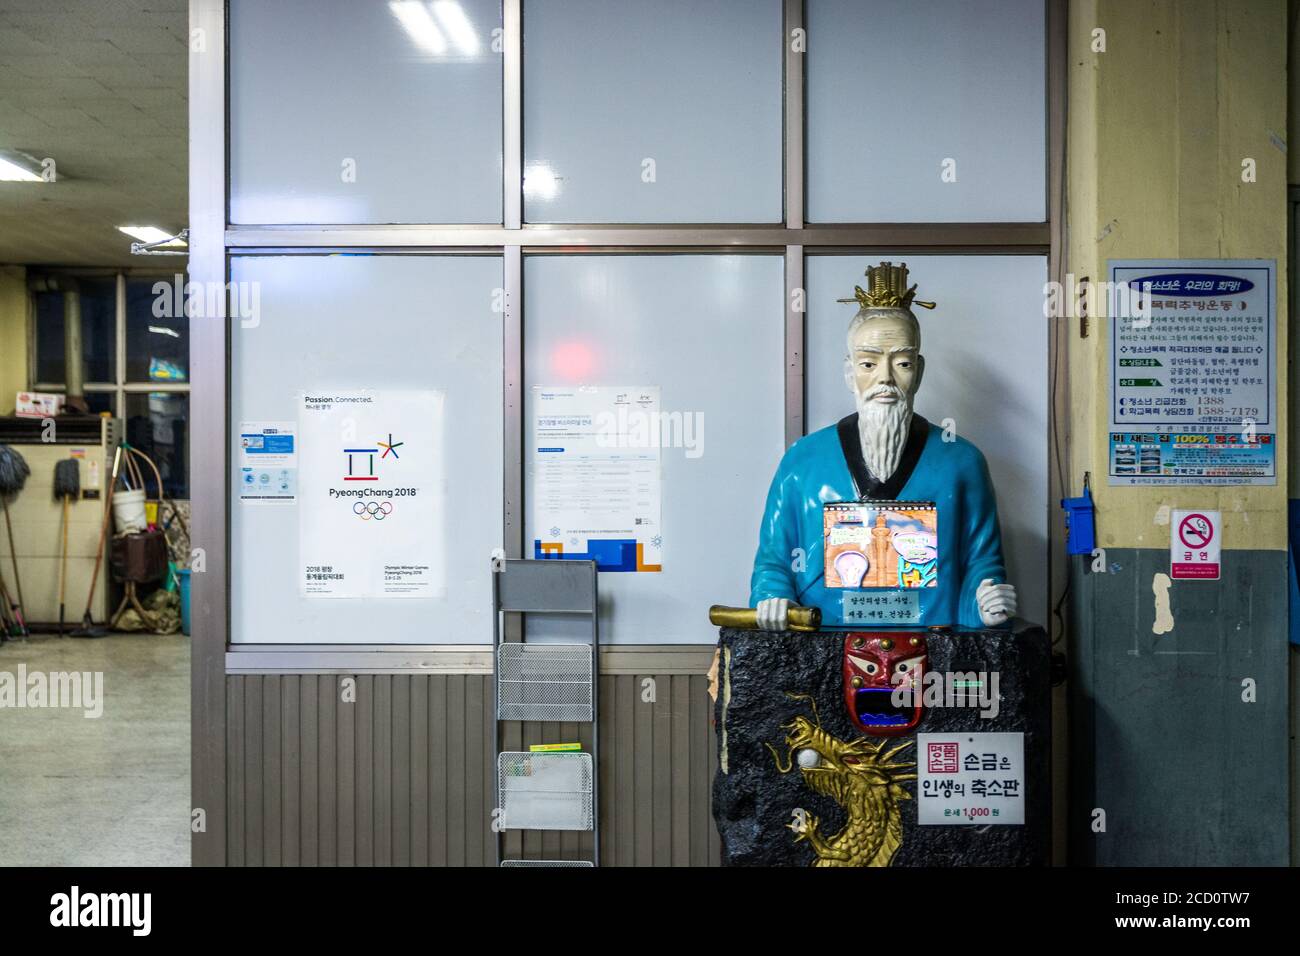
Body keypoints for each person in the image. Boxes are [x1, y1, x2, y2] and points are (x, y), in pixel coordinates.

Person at [750, 262, 1016, 631]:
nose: (885, 378)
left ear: (919, 372)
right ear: (849, 372)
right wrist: (773, 599)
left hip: (931, 641)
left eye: (903, 362)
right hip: (826, 641)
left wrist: (984, 604)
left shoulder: (961, 462)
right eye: (868, 363)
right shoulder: (803, 460)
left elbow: (981, 564)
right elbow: (774, 561)